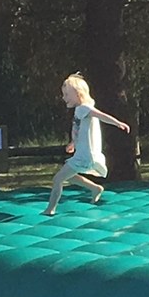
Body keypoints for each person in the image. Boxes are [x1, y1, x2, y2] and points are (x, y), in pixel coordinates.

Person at [45, 74, 131, 215]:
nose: (64, 98)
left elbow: (101, 115)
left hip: (85, 155)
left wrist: (117, 123)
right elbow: (79, 129)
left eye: (67, 95)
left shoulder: (83, 108)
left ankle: (50, 209)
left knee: (57, 179)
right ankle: (95, 188)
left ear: (78, 94)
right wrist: (73, 142)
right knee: (69, 176)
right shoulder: (80, 109)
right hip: (82, 153)